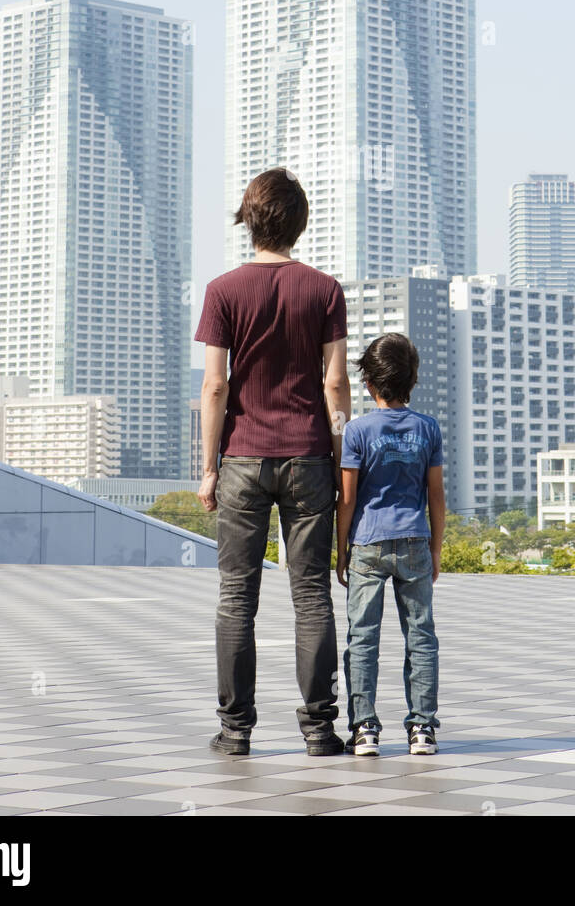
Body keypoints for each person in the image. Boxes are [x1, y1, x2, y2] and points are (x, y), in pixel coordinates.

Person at [194, 167, 351, 757]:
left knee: (237, 595)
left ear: (249, 220)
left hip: (240, 458)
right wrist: (341, 457)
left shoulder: (223, 290)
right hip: (310, 455)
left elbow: (214, 387)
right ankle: (318, 729)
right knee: (311, 594)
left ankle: (236, 732)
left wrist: (209, 466)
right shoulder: (324, 289)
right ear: (299, 223)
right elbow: (335, 382)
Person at [336, 332, 444, 756]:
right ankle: (422, 729)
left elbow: (347, 498)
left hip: (367, 542)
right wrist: (436, 548)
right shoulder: (428, 428)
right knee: (421, 637)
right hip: (416, 540)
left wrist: (340, 549)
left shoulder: (357, 431)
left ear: (369, 382)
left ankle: (365, 729)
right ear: (411, 381)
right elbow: (436, 495)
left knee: (362, 636)